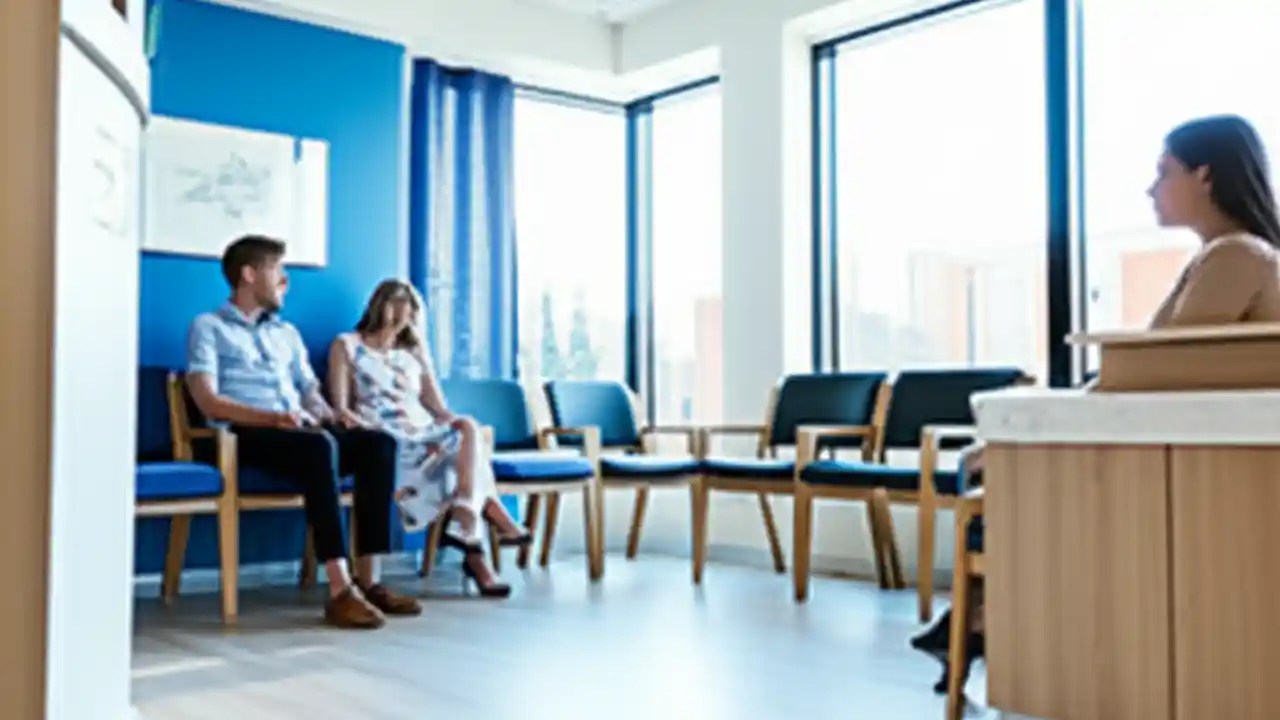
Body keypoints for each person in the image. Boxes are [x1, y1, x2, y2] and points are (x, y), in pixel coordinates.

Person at [911, 114, 1280, 693]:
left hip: (1200, 465)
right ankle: (982, 621)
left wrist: (1019, 438)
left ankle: (983, 622)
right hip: (1190, 452)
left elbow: (1167, 370)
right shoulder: (1228, 255)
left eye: (1165, 172)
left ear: (1205, 176)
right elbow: (1155, 368)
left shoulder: (1236, 255)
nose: (1152, 188)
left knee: (1015, 478)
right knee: (1013, 473)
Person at [186, 235, 424, 629]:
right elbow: (207, 401)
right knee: (318, 446)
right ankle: (340, 590)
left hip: (298, 433)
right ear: (249, 275)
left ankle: (370, 582)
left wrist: (335, 414)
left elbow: (309, 391)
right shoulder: (208, 327)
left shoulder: (287, 333)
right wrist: (273, 418)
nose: (286, 281)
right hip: (245, 436)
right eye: (278, 271)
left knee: (377, 443)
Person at [327, 279, 533, 599]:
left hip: (421, 431)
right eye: (394, 306)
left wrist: (456, 421)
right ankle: (480, 546)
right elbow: (339, 407)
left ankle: (466, 516)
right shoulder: (347, 345)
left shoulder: (413, 352)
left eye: (407, 309)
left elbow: (438, 407)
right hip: (382, 437)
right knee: (461, 469)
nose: (400, 316)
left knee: (468, 432)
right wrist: (354, 421)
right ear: (378, 306)